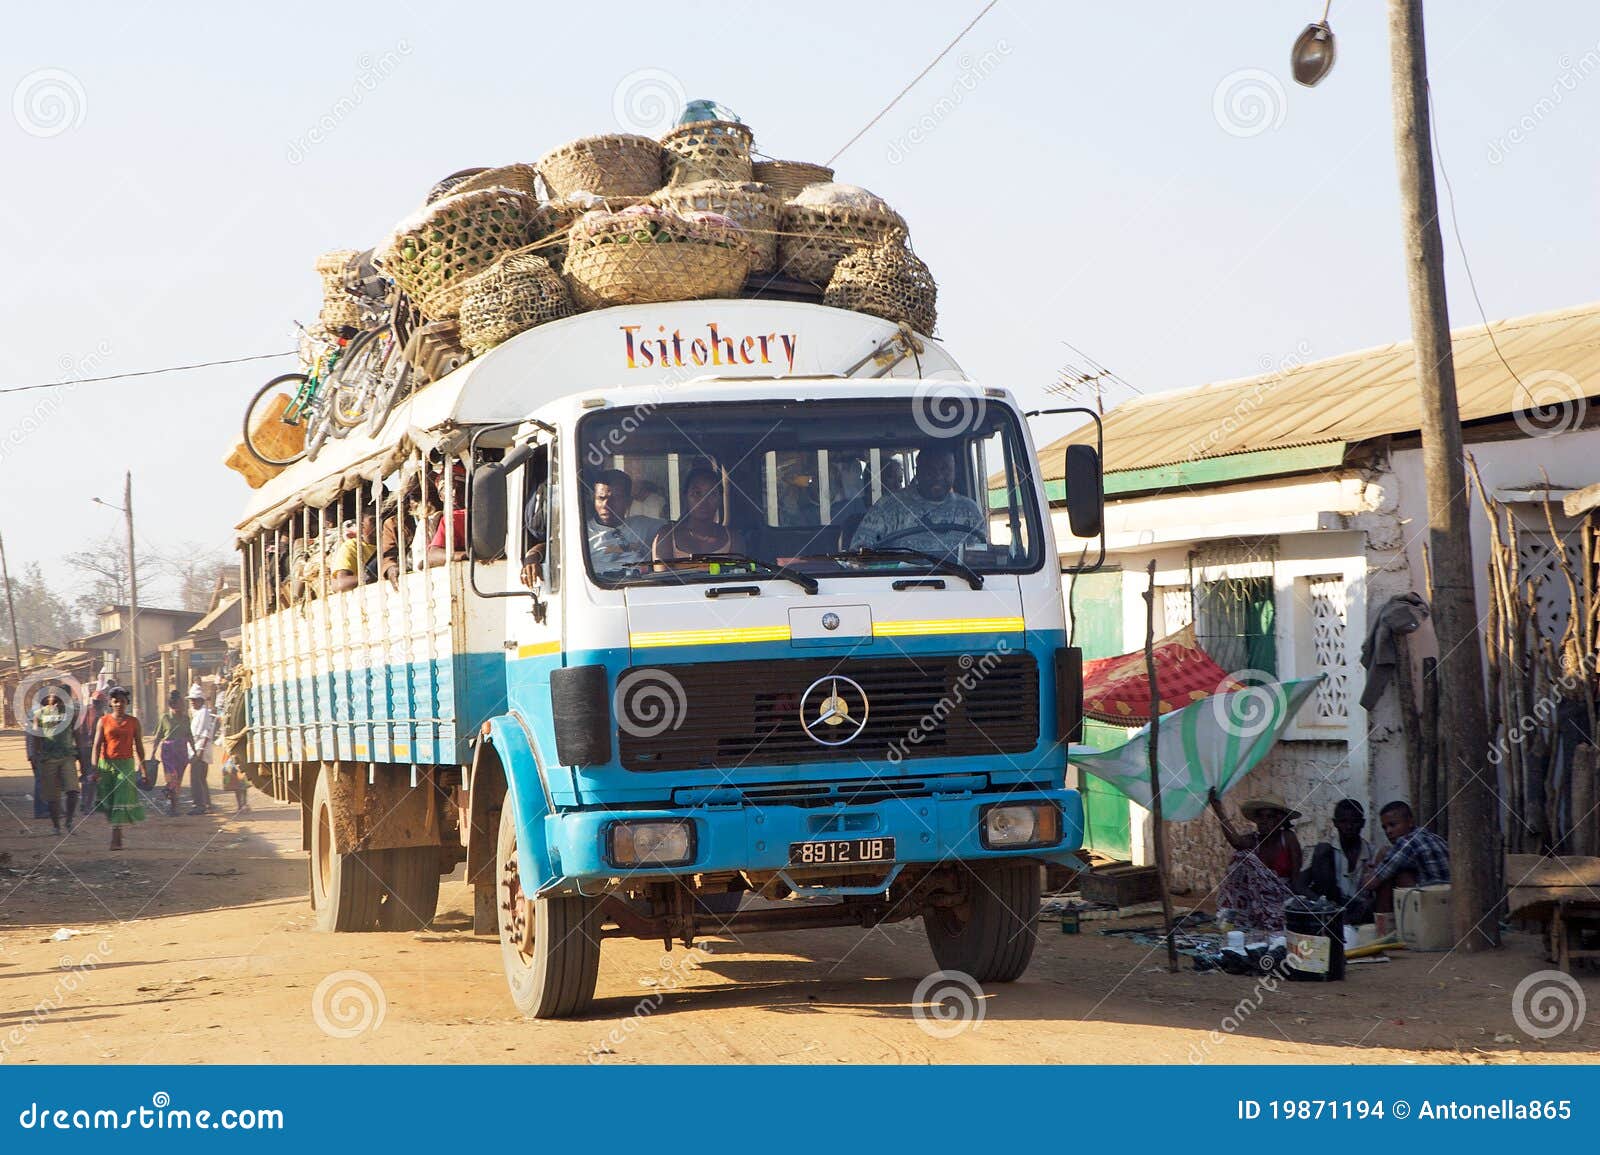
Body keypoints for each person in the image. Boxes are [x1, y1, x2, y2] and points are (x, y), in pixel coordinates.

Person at [848, 446, 986, 556]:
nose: (938, 476)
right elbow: (859, 553)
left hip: (961, 586)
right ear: (917, 471)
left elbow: (982, 557)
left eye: (945, 469)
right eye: (930, 470)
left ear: (955, 471)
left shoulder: (969, 510)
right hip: (897, 587)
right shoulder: (888, 506)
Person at [1208, 790, 1303, 930]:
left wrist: (1298, 904)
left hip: (1282, 896)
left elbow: (1296, 877)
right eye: (1260, 817)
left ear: (1280, 820)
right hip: (1254, 901)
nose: (1264, 822)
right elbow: (1236, 842)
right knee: (1240, 858)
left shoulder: (1288, 838)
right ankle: (1239, 916)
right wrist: (1218, 809)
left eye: (1269, 817)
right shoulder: (1254, 840)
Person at [1355, 800, 1450, 915]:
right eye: (1384, 827)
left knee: (1386, 859)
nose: (1388, 831)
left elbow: (1370, 884)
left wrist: (1370, 870)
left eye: (1393, 825)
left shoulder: (1406, 842)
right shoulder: (1433, 837)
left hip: (1430, 906)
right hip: (1449, 903)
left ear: (1410, 822)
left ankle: (1383, 926)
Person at [91, 686, 146, 849]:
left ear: (127, 703)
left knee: (121, 798)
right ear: (110, 703)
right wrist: (94, 768)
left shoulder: (134, 722)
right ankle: (116, 826)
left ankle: (116, 836)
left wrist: (143, 768)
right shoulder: (103, 721)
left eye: (122, 701)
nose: (119, 704)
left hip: (126, 764)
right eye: (116, 701)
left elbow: (139, 746)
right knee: (109, 801)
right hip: (106, 765)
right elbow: (96, 745)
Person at [1297, 799, 1375, 909]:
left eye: (1354, 821)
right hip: (1332, 907)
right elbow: (1300, 886)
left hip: (1359, 910)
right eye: (1343, 821)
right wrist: (1323, 904)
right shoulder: (1323, 850)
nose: (1349, 826)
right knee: (1322, 850)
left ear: (1362, 823)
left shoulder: (1372, 852)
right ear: (1335, 823)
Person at [652, 467, 740, 562]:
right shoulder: (667, 535)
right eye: (697, 493)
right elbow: (663, 575)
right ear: (685, 497)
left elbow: (742, 574)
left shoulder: (733, 539)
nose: (704, 501)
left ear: (720, 499)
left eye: (712, 494)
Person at [583, 469, 663, 574]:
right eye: (601, 498)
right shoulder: (582, 535)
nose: (606, 505)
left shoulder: (644, 526)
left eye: (616, 498)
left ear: (628, 502)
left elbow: (683, 527)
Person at [27, 686, 81, 835]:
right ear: (48, 699)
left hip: (67, 756)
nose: (56, 699)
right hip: (48, 758)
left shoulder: (71, 715)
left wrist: (83, 760)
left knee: (73, 791)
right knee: (53, 796)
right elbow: (36, 736)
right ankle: (56, 826)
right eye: (53, 696)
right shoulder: (40, 715)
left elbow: (77, 736)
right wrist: (36, 757)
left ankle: (69, 822)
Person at [148, 689, 193, 817]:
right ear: (173, 704)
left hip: (182, 751)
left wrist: (194, 751)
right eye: (180, 703)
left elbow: (190, 736)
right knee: (172, 778)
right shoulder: (165, 718)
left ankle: (172, 803)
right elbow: (158, 736)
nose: (183, 705)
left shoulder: (186, 718)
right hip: (169, 752)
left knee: (178, 780)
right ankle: (172, 805)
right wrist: (153, 753)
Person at [75, 687, 107, 816]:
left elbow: (77, 731)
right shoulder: (101, 716)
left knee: (85, 776)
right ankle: (88, 806)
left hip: (82, 748)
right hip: (93, 750)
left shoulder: (83, 713)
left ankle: (84, 803)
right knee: (92, 777)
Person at [187, 684, 218, 815]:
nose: (192, 702)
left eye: (194, 700)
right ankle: (207, 804)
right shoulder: (198, 713)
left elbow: (206, 733)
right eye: (191, 700)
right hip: (197, 749)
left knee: (196, 778)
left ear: (200, 700)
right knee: (201, 778)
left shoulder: (204, 713)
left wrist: (199, 751)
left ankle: (199, 805)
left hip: (200, 750)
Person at [330, 513, 377, 592]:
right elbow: (342, 583)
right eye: (374, 521)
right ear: (362, 526)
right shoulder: (352, 546)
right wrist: (372, 576)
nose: (380, 524)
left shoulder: (391, 543)